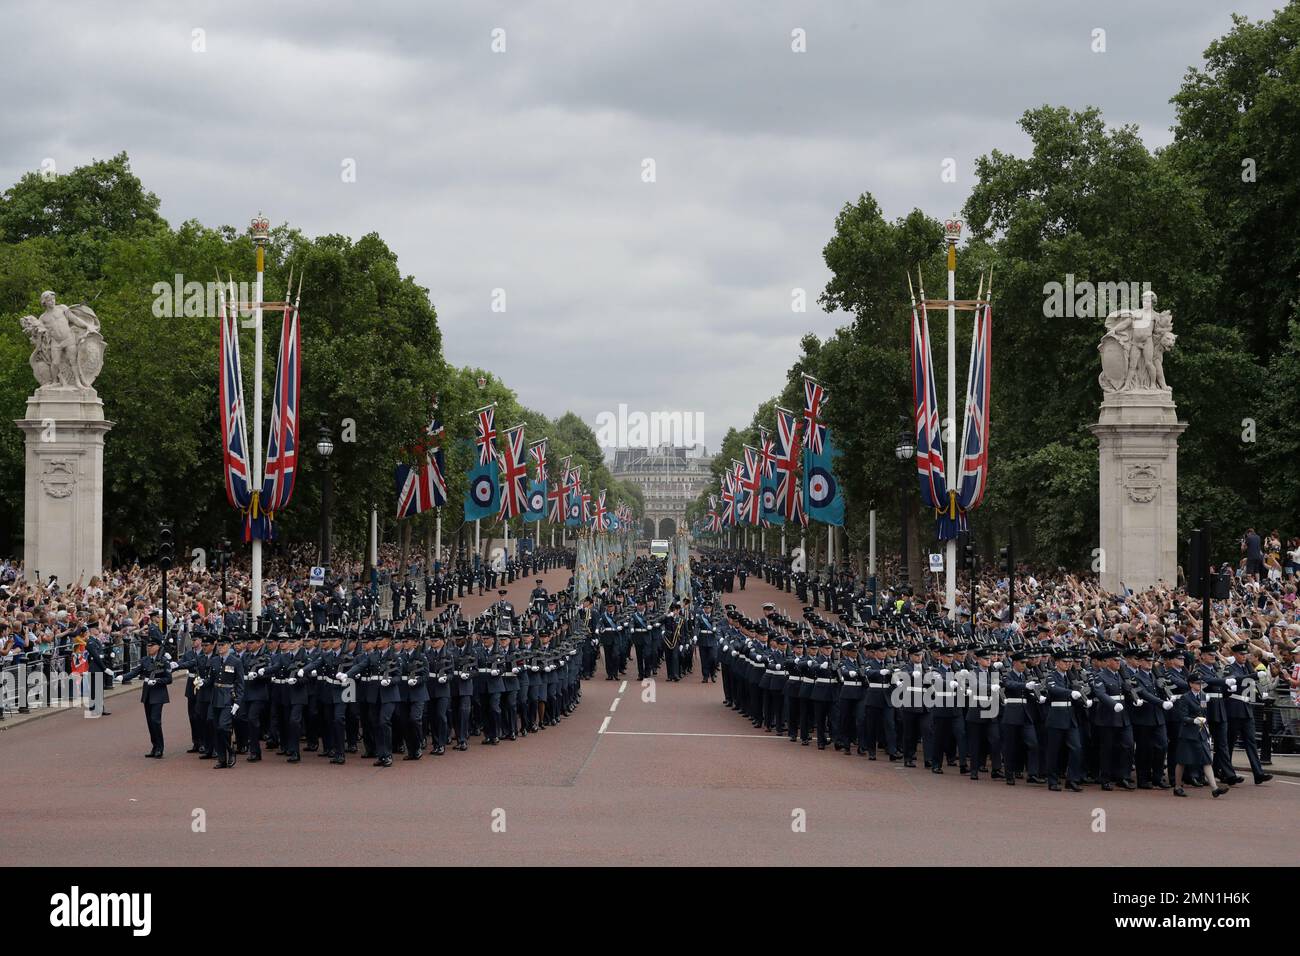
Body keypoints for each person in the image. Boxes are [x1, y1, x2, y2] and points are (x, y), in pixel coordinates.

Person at [1171, 672, 1229, 798]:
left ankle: (1214, 788)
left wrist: (1204, 721)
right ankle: (1177, 786)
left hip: (1201, 732)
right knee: (1182, 761)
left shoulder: (1203, 696)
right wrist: (1193, 720)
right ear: (1191, 684)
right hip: (1188, 734)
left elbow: (1204, 712)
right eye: (1197, 683)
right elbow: (1182, 716)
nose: (1200, 685)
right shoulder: (1185, 698)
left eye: (1201, 683)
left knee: (1206, 760)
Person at [120, 635, 173, 758]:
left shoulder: (164, 661)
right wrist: (123, 677)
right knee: (150, 722)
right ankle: (154, 746)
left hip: (158, 694)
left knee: (155, 720)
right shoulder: (145, 660)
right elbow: (135, 672)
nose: (149, 648)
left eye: (152, 646)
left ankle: (160, 747)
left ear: (158, 647)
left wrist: (157, 681)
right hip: (148, 693)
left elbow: (168, 679)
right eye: (148, 646)